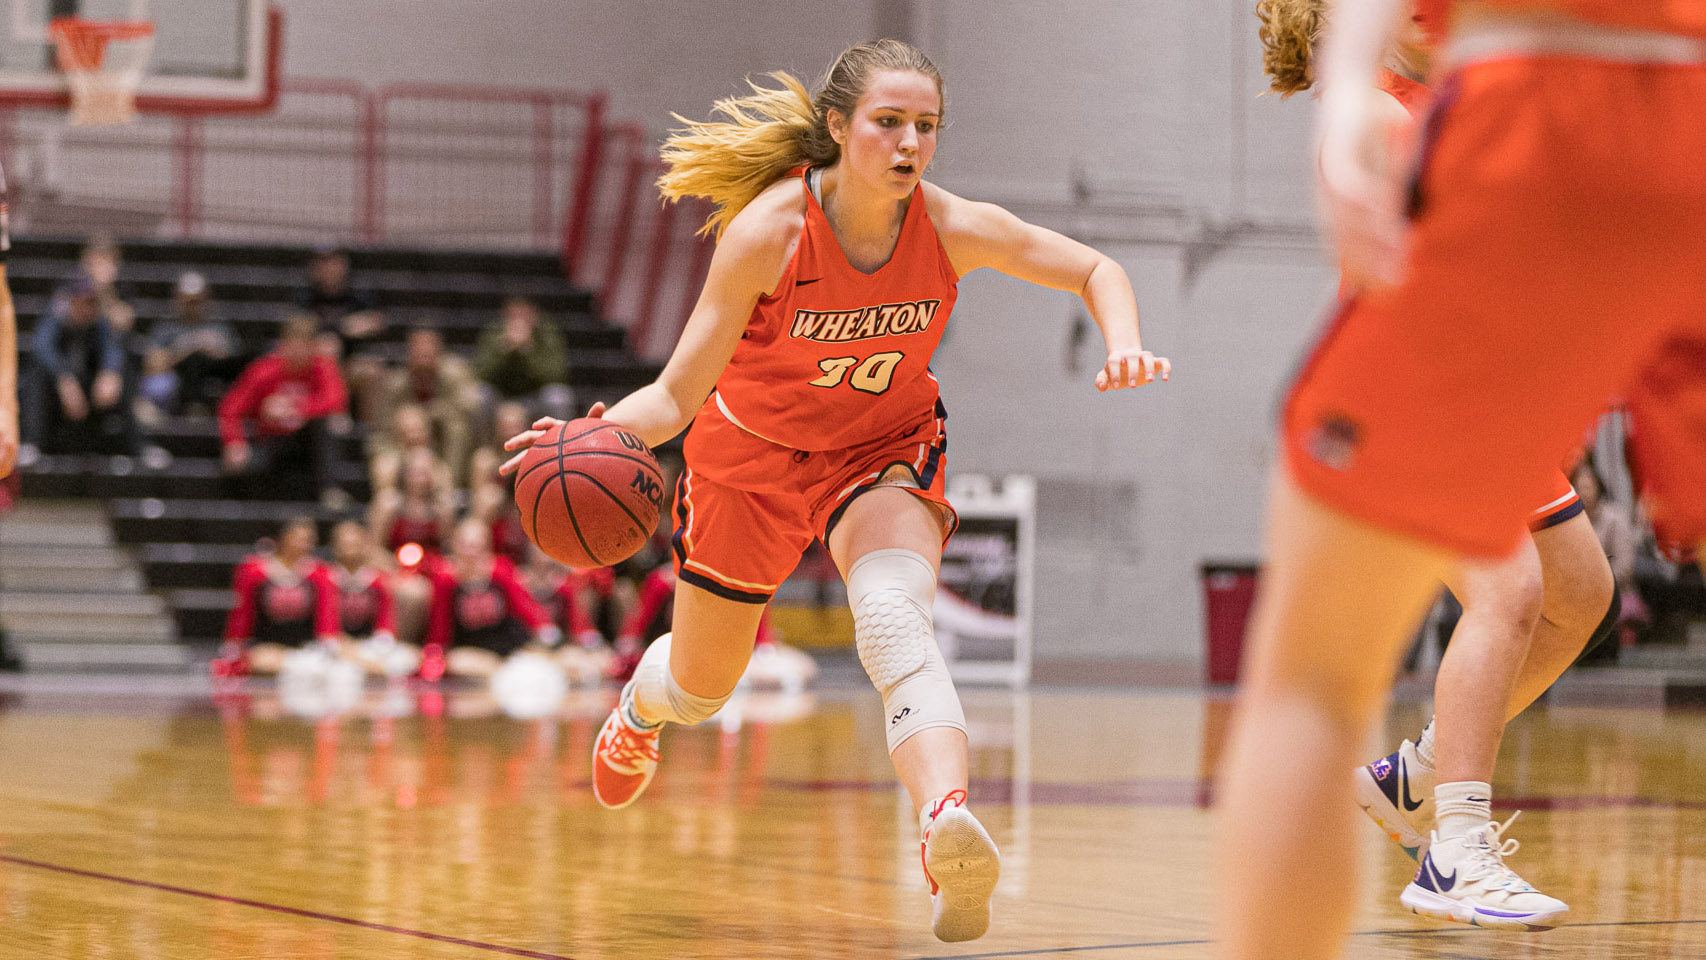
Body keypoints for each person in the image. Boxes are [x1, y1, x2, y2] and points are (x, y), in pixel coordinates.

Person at [500, 39, 1168, 943]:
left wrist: (1122, 339)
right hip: (749, 463)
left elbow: (1094, 267)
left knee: (893, 615)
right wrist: (593, 439)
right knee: (702, 690)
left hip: (879, 451)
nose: (909, 144)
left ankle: (943, 828)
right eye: (888, 123)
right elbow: (674, 396)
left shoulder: (949, 225)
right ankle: (641, 708)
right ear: (837, 128)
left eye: (925, 127)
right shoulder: (770, 233)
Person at [1216, 1, 1706, 958]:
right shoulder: (1413, 103)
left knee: (1579, 592)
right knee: (1515, 591)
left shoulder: (1446, 89)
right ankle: (1455, 841)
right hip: (1494, 308)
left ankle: (1420, 780)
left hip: (1545, 268)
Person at [218, 314, 349, 504]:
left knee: (331, 423)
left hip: (308, 444)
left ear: (313, 348)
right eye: (292, 347)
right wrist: (234, 441)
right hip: (272, 443)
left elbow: (335, 400)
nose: (297, 355)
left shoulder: (323, 367)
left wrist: (295, 408)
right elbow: (230, 408)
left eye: (303, 348)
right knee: (235, 466)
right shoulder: (264, 370)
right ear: (283, 345)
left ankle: (329, 491)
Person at [423, 519, 560, 679]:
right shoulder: (446, 580)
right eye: (465, 545)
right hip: (471, 651)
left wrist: (545, 630)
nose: (470, 552)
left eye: (476, 545)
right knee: (460, 663)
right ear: (454, 545)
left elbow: (524, 605)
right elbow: (440, 625)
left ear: (486, 547)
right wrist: (435, 654)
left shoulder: (500, 571)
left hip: (509, 646)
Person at [19, 274, 135, 457]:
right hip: (58, 394)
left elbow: (113, 348)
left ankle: (134, 449)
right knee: (35, 373)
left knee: (124, 372)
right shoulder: (56, 317)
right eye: (85, 302)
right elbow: (41, 347)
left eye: (94, 302)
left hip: (89, 391)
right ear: (72, 301)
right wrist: (63, 377)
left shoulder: (100, 322)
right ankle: (32, 443)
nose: (90, 308)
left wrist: (110, 372)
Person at [221, 516, 340, 675]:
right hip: (265, 647)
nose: (305, 544)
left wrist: (328, 644)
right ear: (283, 538)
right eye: (299, 538)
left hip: (305, 648)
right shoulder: (254, 571)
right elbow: (243, 613)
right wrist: (235, 645)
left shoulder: (319, 574)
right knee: (265, 664)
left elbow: (326, 614)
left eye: (309, 540)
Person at [370, 329, 480, 486]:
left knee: (458, 427)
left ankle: (451, 488)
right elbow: (383, 426)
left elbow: (468, 407)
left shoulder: (456, 373)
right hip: (403, 441)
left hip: (440, 438)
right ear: (409, 352)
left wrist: (427, 414)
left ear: (439, 351)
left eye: (428, 349)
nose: (423, 355)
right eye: (418, 350)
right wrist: (406, 423)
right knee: (382, 454)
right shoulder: (396, 383)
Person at [142, 271, 242, 418]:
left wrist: (215, 349)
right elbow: (151, 365)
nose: (192, 306)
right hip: (176, 379)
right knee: (157, 386)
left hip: (212, 377)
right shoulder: (166, 327)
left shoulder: (219, 327)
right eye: (187, 300)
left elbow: (237, 363)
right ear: (178, 299)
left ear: (205, 299)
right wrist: (185, 348)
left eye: (196, 301)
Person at [474, 297, 570, 411]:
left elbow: (556, 375)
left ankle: (559, 430)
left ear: (534, 315)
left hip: (534, 397)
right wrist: (504, 351)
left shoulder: (547, 333)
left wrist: (528, 352)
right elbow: (481, 374)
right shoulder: (493, 333)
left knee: (557, 396)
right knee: (479, 394)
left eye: (523, 314)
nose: (518, 320)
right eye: (513, 315)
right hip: (502, 397)